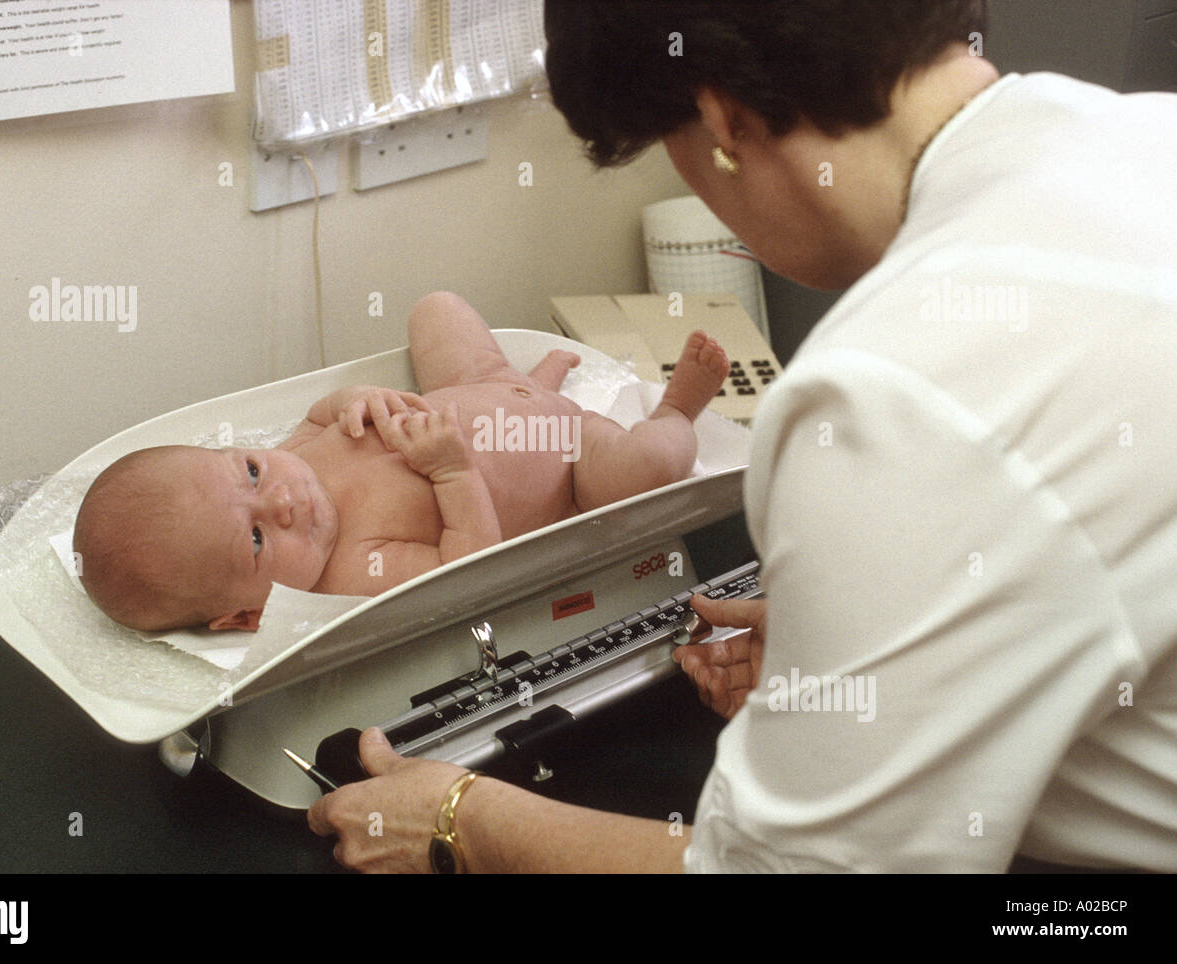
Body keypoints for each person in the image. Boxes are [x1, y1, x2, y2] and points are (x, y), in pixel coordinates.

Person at [307, 0, 1177, 872]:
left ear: (724, 120)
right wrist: (879, 658)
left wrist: (462, 822)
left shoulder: (888, 394)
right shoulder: (1147, 134)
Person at [73, 290, 730, 632]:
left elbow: (317, 415)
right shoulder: (351, 570)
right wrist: (453, 472)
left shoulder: (289, 457)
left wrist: (356, 400)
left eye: (248, 472)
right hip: (573, 458)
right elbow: (465, 567)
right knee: (646, 465)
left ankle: (531, 379)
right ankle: (675, 411)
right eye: (254, 538)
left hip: (483, 381)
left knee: (434, 312)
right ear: (249, 615)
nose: (278, 500)